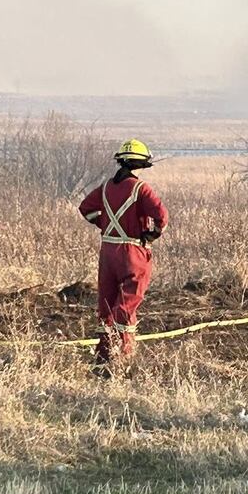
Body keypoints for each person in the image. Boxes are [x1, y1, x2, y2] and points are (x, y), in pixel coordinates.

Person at [78, 139, 169, 373]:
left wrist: (105, 225)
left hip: (107, 251)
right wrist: (150, 236)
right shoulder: (141, 189)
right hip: (132, 251)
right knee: (127, 304)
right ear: (141, 164)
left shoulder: (106, 187)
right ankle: (123, 355)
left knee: (107, 304)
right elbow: (161, 216)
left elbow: (85, 208)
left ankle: (104, 355)